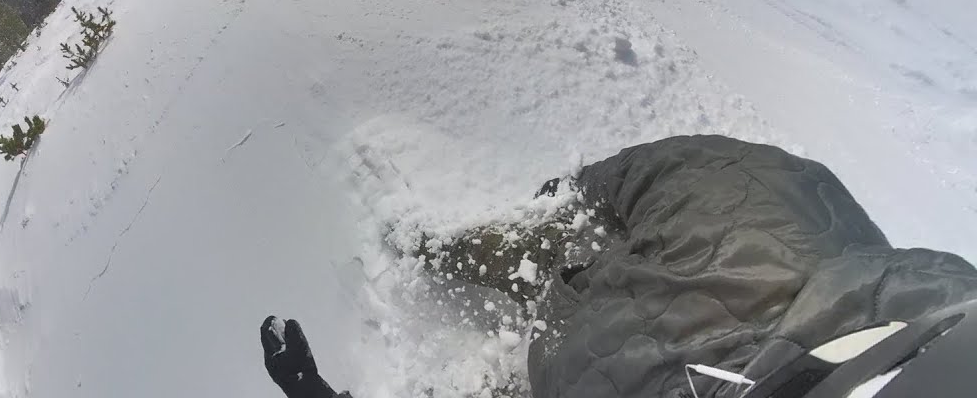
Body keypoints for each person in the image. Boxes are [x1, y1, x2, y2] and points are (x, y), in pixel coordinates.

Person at [261, 135, 977, 397]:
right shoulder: (761, 212)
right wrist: (566, 197)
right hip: (591, 262)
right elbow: (642, 174)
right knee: (504, 251)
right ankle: (423, 244)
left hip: (562, 367)